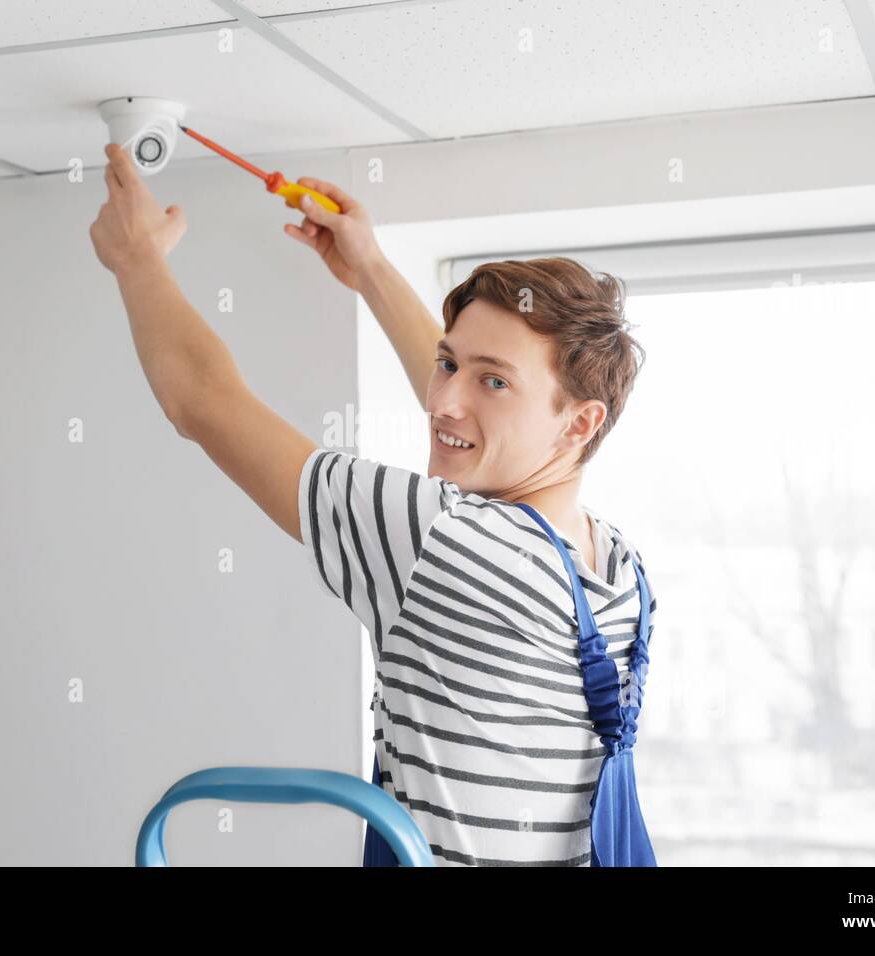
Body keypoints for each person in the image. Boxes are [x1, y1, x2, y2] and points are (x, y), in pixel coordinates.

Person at [90, 143, 657, 866]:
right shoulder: (615, 570)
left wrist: (137, 259)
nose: (442, 399)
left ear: (580, 422)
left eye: (492, 382)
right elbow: (479, 424)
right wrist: (370, 270)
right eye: (448, 363)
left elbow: (201, 403)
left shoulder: (442, 539)